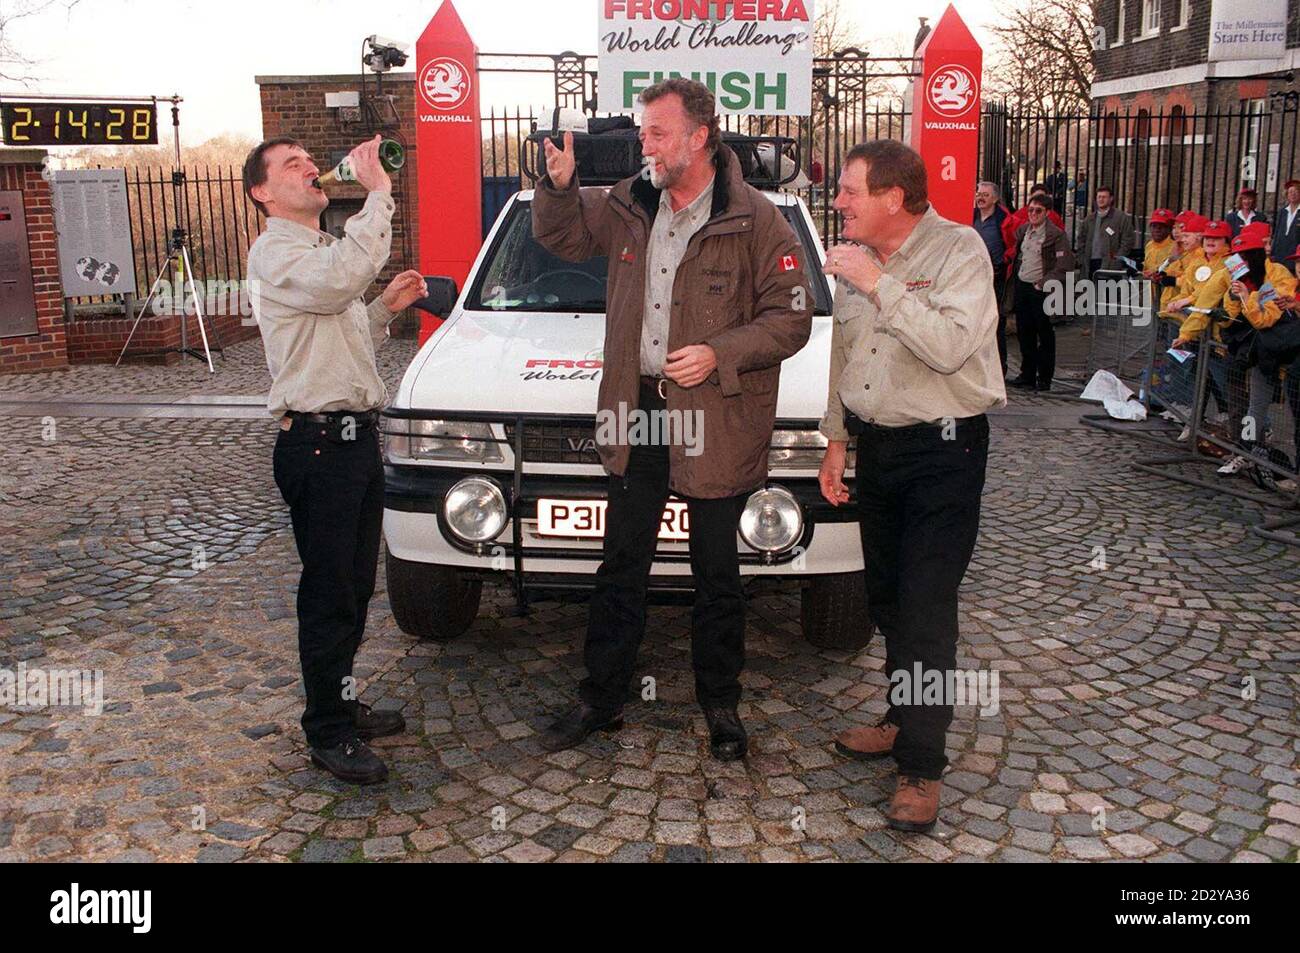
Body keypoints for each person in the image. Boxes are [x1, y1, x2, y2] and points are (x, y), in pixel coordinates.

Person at [530, 78, 812, 761]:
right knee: (621, 560)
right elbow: (562, 237)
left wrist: (720, 352)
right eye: (643, 132)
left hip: (716, 416)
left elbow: (792, 317)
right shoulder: (630, 202)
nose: (644, 145)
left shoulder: (756, 219)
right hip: (640, 411)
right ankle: (602, 696)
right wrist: (561, 185)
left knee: (716, 570)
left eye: (657, 133)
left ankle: (721, 701)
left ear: (699, 137)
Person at [818, 139, 1005, 834]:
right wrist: (837, 440)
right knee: (888, 597)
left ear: (892, 198)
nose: (838, 202)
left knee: (926, 607)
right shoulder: (857, 264)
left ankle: (922, 767)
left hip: (944, 452)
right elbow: (844, 354)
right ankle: (902, 717)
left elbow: (952, 346)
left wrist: (878, 282)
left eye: (849, 191)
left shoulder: (959, 252)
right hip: (880, 448)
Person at [244, 135, 428, 785]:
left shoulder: (321, 251)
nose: (307, 168)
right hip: (317, 447)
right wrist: (379, 194)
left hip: (354, 442)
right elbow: (339, 283)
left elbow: (335, 334)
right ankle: (327, 730)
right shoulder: (274, 252)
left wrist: (383, 311)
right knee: (328, 595)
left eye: (307, 159)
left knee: (354, 588)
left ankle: (342, 698)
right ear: (262, 193)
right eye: (289, 164)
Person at [1006, 195, 1074, 391]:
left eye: (1038, 211)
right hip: (1023, 285)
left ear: (1047, 213)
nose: (1033, 214)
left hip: (1041, 290)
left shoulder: (1055, 235)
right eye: (1030, 210)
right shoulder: (1023, 231)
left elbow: (1065, 265)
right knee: (1024, 332)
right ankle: (1027, 374)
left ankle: (1044, 378)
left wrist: (1043, 283)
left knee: (1044, 334)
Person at [973, 181, 1012, 375]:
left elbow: (1012, 244)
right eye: (979, 193)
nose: (980, 197)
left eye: (985, 195)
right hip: (974, 275)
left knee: (995, 322)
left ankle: (999, 368)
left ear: (995, 198)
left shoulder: (1003, 218)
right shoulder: (971, 215)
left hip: (996, 276)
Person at [1078, 186, 1137, 277]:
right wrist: (1081, 259)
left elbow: (1128, 240)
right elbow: (1081, 239)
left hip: (1110, 265)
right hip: (1090, 263)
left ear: (1111, 199)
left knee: (1107, 290)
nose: (1101, 199)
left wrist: (1117, 259)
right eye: (1099, 197)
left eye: (1104, 197)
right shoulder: (1089, 219)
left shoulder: (1120, 217)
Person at [1273, 179, 1300, 272]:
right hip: (1280, 257)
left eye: (1296, 191)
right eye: (1290, 192)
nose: (1293, 194)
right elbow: (1276, 234)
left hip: (1295, 257)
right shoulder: (1282, 212)